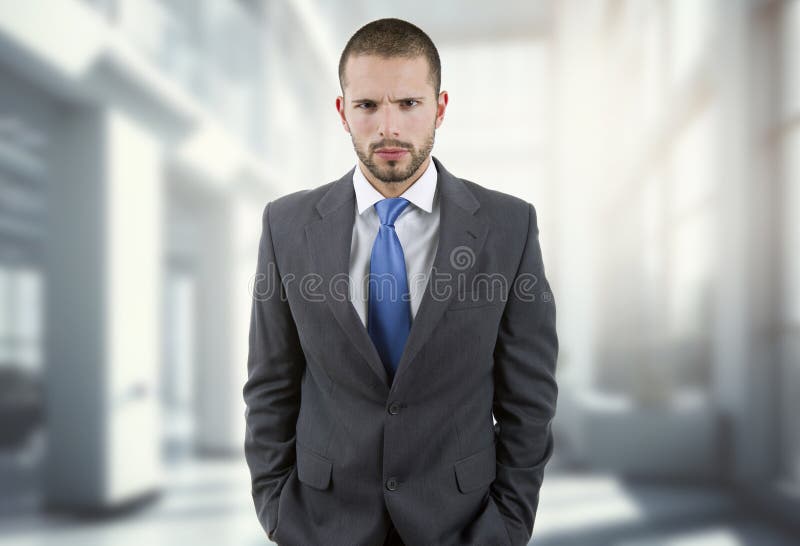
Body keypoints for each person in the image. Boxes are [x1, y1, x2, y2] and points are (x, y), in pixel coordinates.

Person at [243, 17, 558, 546]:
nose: (388, 127)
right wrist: (276, 508)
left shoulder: (509, 226)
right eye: (367, 105)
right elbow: (270, 384)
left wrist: (507, 524)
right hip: (322, 524)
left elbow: (529, 398)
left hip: (462, 523)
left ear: (440, 107)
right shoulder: (285, 225)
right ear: (343, 113)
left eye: (408, 104)